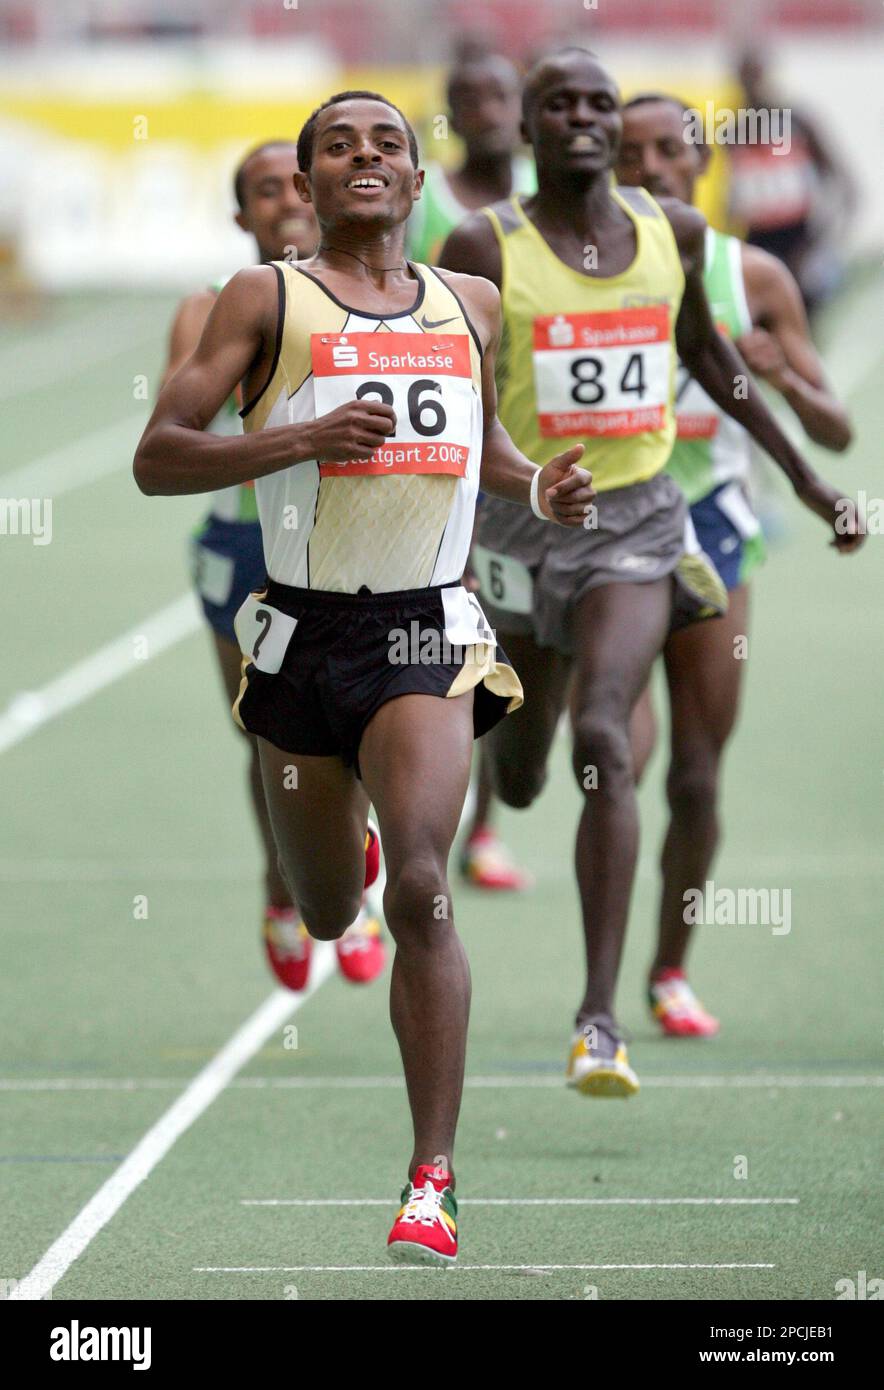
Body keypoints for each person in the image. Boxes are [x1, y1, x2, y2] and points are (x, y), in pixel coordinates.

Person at [134, 89, 593, 1264]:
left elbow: (480, 442)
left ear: (416, 172)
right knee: (336, 907)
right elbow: (159, 456)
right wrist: (298, 438)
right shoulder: (262, 299)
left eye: (386, 141)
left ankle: (429, 1176)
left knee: (423, 885)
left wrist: (533, 484)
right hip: (295, 634)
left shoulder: (467, 302)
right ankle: (345, 857)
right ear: (310, 180)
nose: (364, 158)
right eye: (336, 146)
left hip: (424, 632)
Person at [439, 48, 862, 1099]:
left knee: (608, 734)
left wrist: (808, 488)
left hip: (639, 522)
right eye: (560, 105)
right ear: (528, 127)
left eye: (601, 104)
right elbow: (453, 393)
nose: (583, 120)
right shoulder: (478, 244)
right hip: (519, 527)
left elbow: (707, 358)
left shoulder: (673, 238)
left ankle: (599, 1015)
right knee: (531, 761)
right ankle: (506, 774)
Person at [616, 92, 854, 1037]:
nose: (651, 169)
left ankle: (669, 971)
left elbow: (837, 426)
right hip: (606, 540)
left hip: (714, 532)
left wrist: (786, 372)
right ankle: (600, 978)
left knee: (698, 779)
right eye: (630, 154)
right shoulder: (577, 276)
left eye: (669, 152)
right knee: (613, 753)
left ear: (702, 165)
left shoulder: (751, 275)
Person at [162, 142, 383, 993]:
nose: (285, 205)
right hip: (245, 544)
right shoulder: (212, 307)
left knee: (361, 732)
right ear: (242, 216)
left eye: (293, 187)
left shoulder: (378, 299)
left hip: (345, 537)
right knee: (269, 736)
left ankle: (350, 890)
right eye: (263, 193)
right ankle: (280, 887)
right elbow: (188, 425)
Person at [408, 46, 536, 889]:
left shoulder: (554, 196)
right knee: (455, 640)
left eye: (499, 93)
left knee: (503, 651)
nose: (485, 107)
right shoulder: (430, 211)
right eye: (467, 97)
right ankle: (435, 828)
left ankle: (484, 822)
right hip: (450, 459)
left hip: (537, 461)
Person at [727, 48, 857, 318]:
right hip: (757, 246)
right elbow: (734, 198)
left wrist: (820, 246)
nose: (751, 84)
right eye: (744, 77)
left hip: (800, 247)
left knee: (806, 328)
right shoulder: (734, 131)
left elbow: (847, 190)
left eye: (755, 74)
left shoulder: (798, 123)